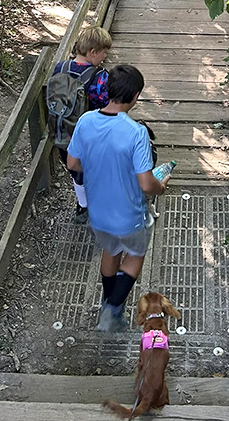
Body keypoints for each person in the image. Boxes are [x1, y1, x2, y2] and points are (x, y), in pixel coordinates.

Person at [67, 64, 169, 332]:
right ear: (135, 96)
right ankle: (112, 311)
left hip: (98, 212)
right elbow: (146, 183)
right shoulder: (136, 133)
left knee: (111, 251)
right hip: (129, 214)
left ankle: (106, 301)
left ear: (109, 90)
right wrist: (162, 187)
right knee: (135, 254)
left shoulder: (86, 121)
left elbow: (73, 163)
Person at [52, 25, 112, 224]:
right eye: (104, 53)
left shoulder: (59, 68)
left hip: (63, 134)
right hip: (90, 137)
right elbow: (107, 106)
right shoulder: (99, 77)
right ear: (93, 52)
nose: (104, 57)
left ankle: (82, 206)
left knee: (77, 173)